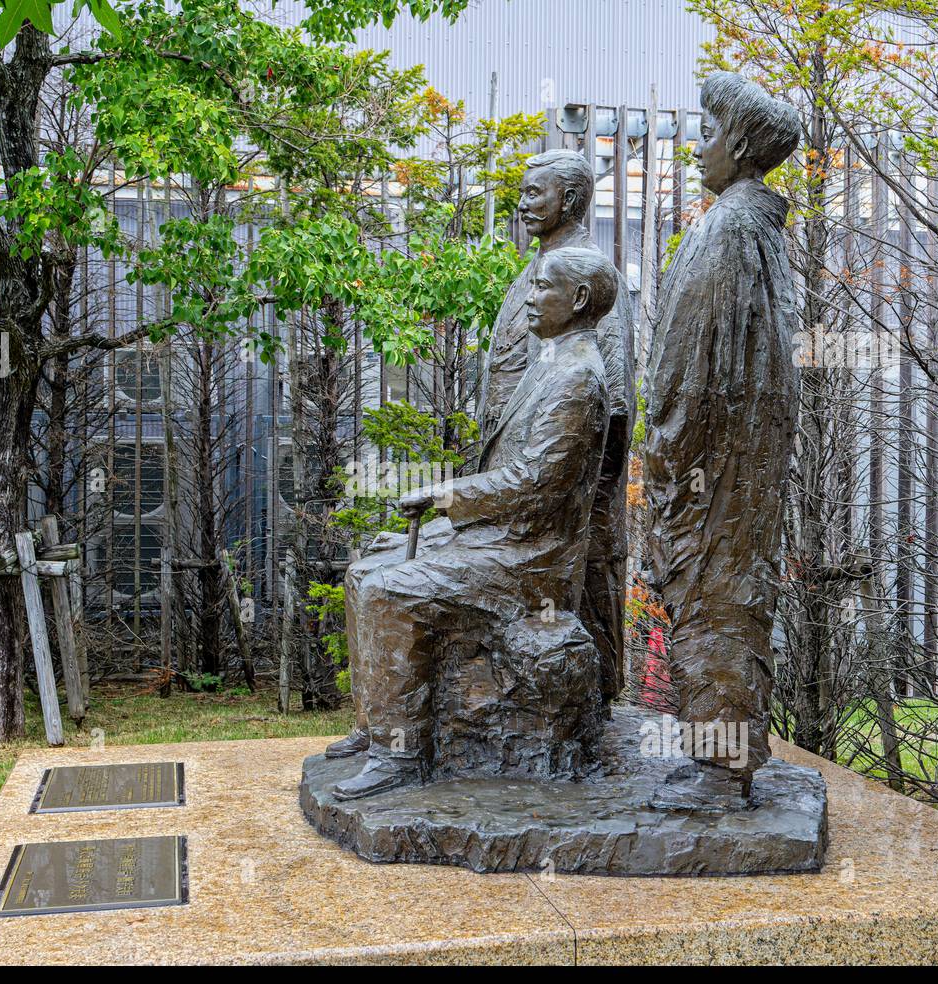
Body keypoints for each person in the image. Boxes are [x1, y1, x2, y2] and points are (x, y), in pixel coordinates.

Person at [332, 248, 615, 799]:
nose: (530, 299)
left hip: (531, 560)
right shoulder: (552, 361)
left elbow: (533, 483)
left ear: (578, 300)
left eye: (542, 288)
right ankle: (374, 728)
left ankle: (401, 756)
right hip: (500, 535)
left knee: (390, 592)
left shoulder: (577, 377)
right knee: (365, 569)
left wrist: (444, 496)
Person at [644, 72, 801, 802]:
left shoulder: (729, 229)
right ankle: (719, 753)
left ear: (738, 144)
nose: (695, 147)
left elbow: (689, 368)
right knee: (723, 595)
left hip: (716, 464)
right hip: (735, 461)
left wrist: (670, 455)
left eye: (706, 132)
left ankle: (722, 771)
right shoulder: (752, 226)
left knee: (716, 599)